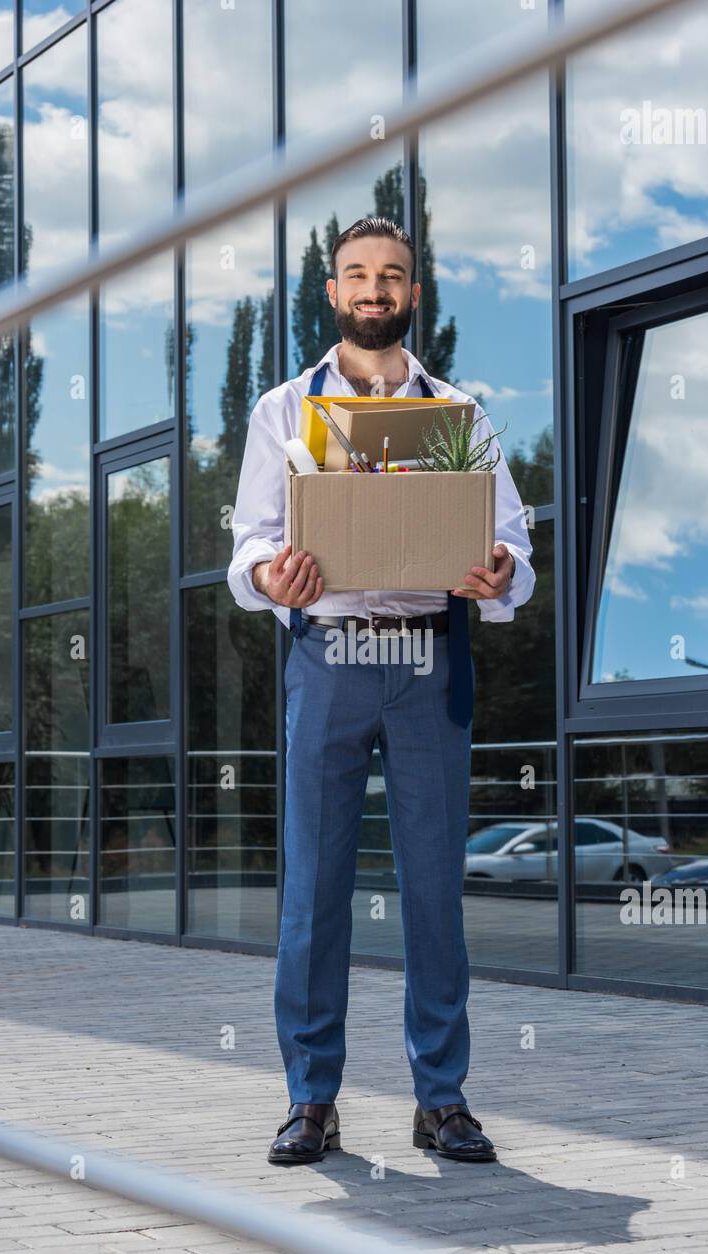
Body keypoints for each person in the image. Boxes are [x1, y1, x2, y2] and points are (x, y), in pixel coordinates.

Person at [228, 215, 535, 1165]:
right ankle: (310, 1099)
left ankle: (441, 1098)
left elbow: (515, 547)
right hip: (327, 657)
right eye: (356, 276)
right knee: (313, 892)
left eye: (391, 276)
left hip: (426, 661)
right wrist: (269, 577)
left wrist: (495, 571)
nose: (373, 291)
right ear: (332, 292)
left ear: (414, 291)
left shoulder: (461, 414)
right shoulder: (284, 409)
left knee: (435, 888)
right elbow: (246, 544)